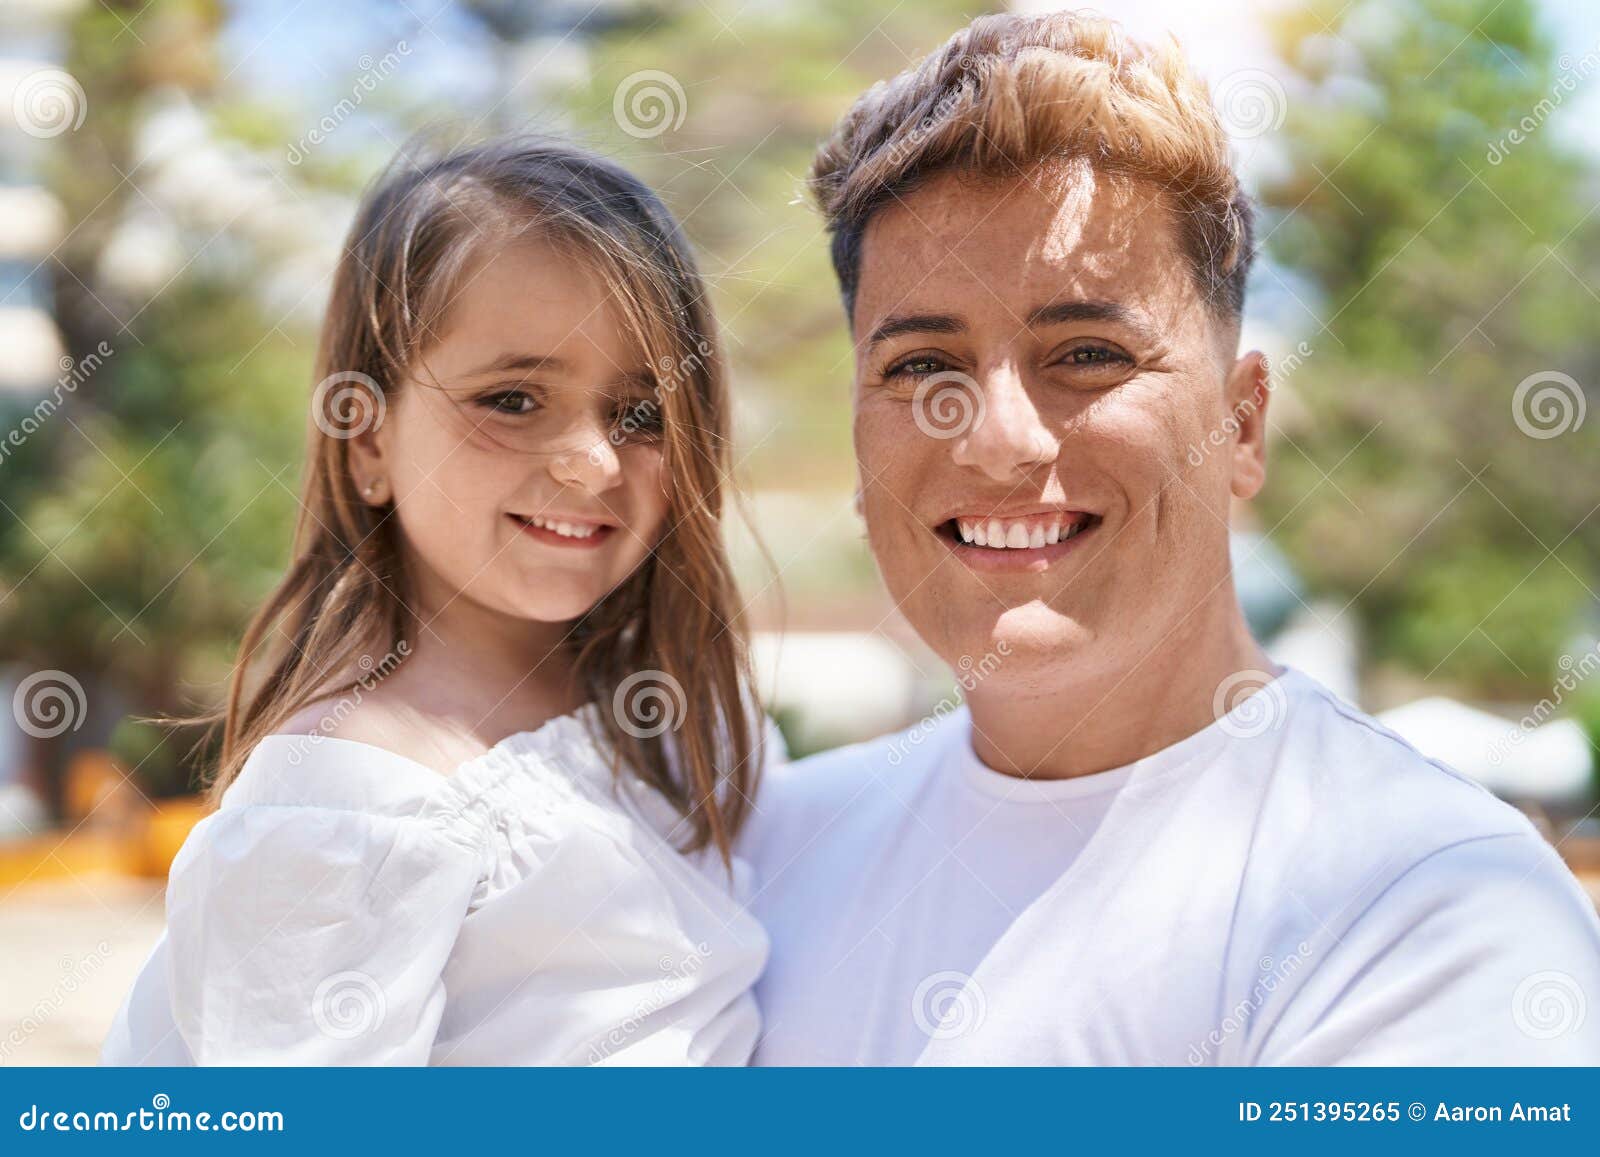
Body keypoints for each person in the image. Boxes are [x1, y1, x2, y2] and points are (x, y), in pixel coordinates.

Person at [745, 11, 1600, 1065]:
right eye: (922, 366)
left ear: (1240, 424)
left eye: (1089, 352)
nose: (998, 442)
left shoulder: (1427, 900)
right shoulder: (762, 859)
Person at [102, 136, 778, 1065]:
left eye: (642, 413)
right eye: (511, 398)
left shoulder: (677, 718)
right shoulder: (349, 801)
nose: (591, 460)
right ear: (368, 442)